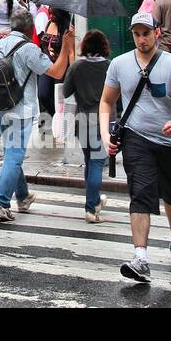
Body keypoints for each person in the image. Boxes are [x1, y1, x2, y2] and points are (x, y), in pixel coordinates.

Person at [99, 12, 171, 283]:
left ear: (157, 33)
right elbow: (106, 102)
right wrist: (104, 134)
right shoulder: (119, 64)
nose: (142, 39)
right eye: (137, 34)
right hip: (136, 138)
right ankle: (141, 258)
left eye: (147, 33)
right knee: (141, 193)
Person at [0, 9, 73, 222]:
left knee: (12, 153)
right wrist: (67, 47)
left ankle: (22, 197)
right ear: (30, 28)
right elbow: (57, 72)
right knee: (14, 157)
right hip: (19, 110)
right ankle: (1, 202)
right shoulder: (28, 49)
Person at [62, 29, 111, 222]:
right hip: (103, 121)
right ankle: (91, 208)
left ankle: (95, 200)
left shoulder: (77, 67)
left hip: (82, 120)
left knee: (90, 160)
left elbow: (66, 92)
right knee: (97, 163)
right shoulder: (110, 66)